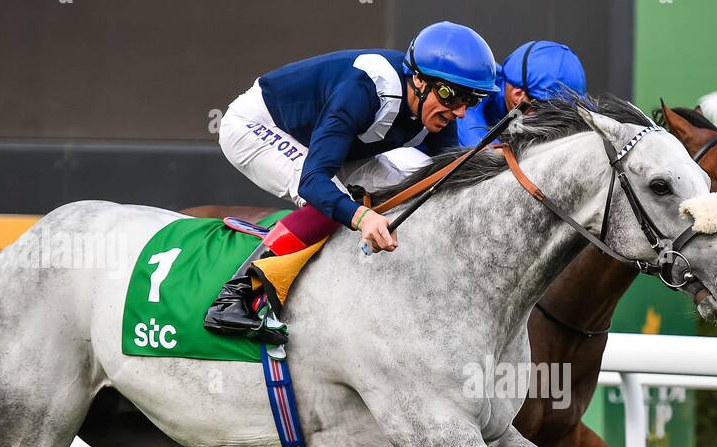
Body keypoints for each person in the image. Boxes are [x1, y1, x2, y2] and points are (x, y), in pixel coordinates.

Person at [206, 21, 498, 343]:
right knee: (332, 198)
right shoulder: (366, 87)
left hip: (329, 147)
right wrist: (362, 216)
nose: (459, 111)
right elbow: (313, 180)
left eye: (471, 101)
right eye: (450, 95)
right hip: (258, 126)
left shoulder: (436, 112)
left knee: (411, 183)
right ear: (418, 79)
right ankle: (236, 295)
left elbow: (451, 176)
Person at [456, 40, 587, 145]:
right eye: (549, 112)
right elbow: (479, 150)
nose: (556, 122)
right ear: (518, 96)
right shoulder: (471, 95)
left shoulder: (523, 107)